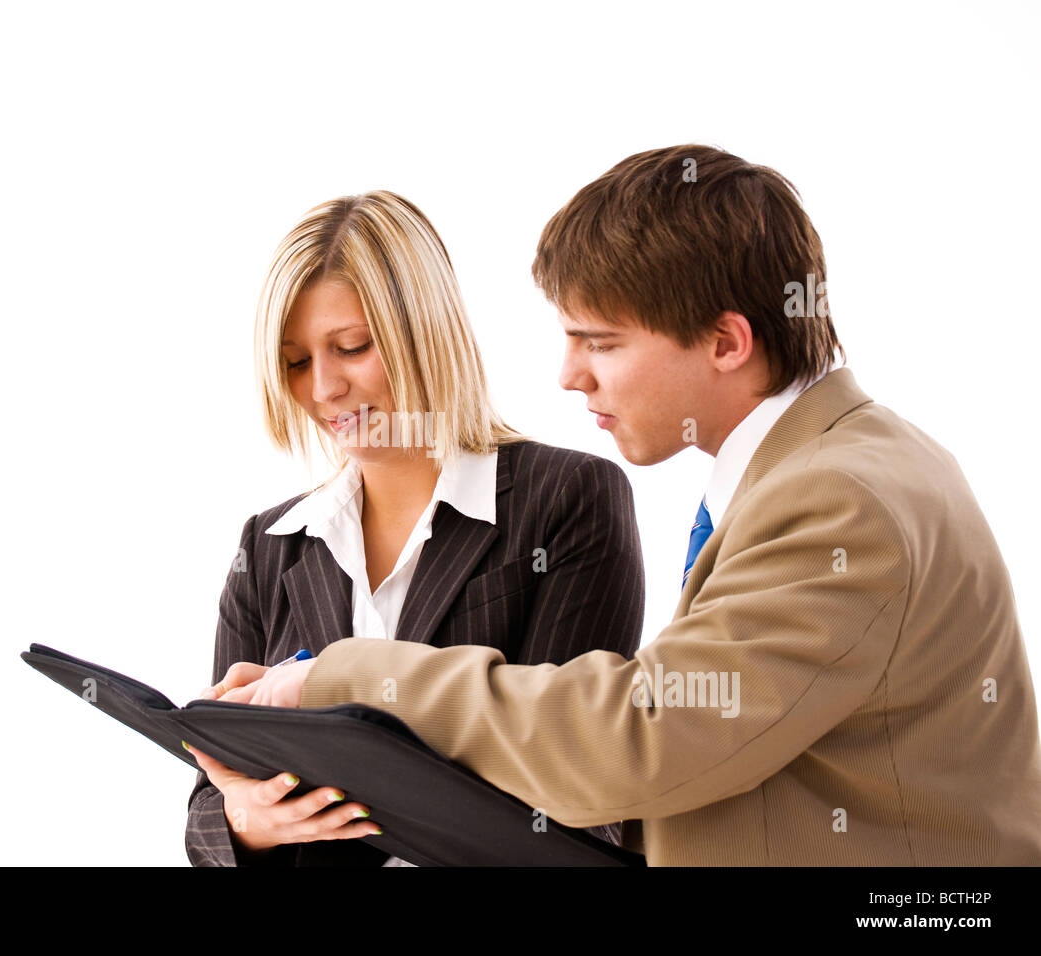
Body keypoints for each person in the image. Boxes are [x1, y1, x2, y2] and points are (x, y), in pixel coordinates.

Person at [207, 146, 1041, 865]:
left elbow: (637, 743)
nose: (569, 375)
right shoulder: (827, 469)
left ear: (725, 342)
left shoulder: (838, 498)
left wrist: (337, 681)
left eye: (600, 343)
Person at [184, 189, 646, 866]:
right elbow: (204, 813)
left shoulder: (565, 500)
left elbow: (581, 779)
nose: (323, 389)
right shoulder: (270, 545)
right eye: (296, 362)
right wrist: (249, 821)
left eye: (351, 347)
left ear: (424, 330)